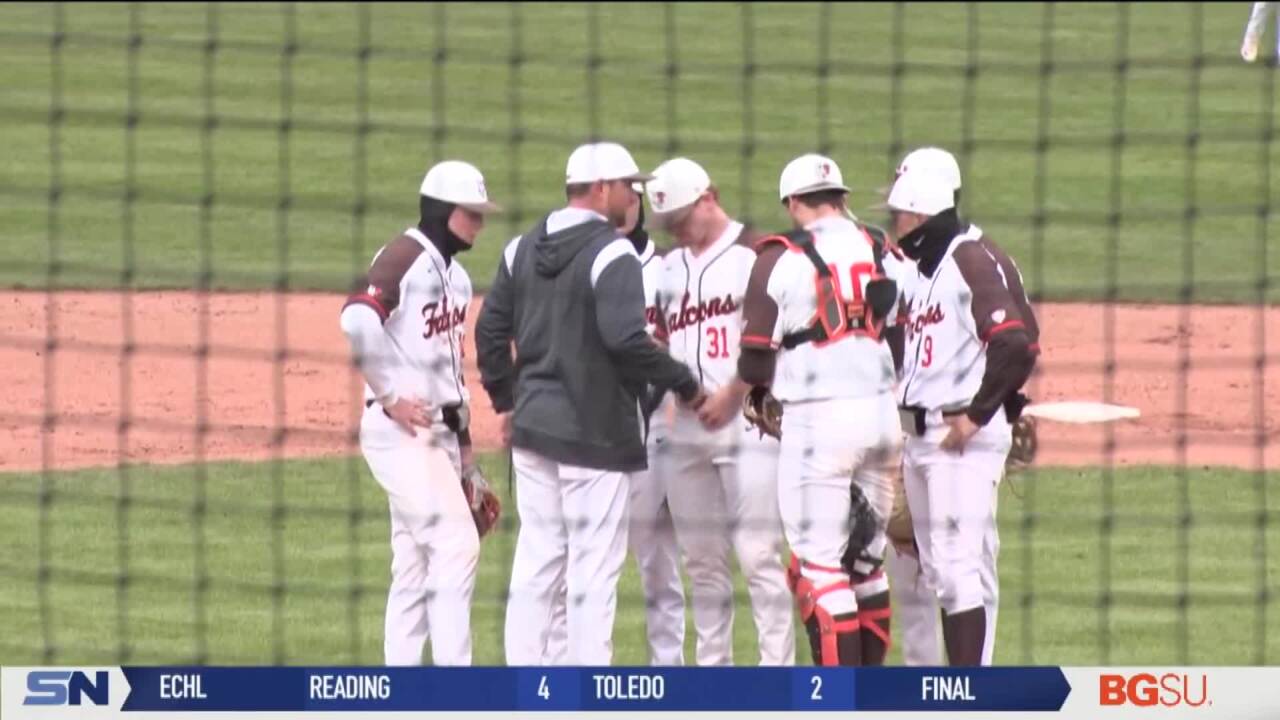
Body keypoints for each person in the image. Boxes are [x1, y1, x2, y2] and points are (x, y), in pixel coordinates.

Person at [475, 141, 705, 666]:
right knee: (592, 570)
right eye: (630, 186)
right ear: (602, 189)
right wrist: (684, 381)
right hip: (595, 436)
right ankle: (584, 693)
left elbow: (489, 330)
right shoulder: (614, 252)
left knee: (538, 560)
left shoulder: (520, 247)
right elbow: (626, 339)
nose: (635, 196)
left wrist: (507, 400)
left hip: (534, 433)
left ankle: (526, 685)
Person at [738, 153, 903, 666]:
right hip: (883, 419)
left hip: (821, 425)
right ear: (843, 198)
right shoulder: (881, 248)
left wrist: (760, 397)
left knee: (820, 573)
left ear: (792, 202)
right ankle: (869, 700)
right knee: (865, 565)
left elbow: (754, 352)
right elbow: (896, 332)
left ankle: (835, 704)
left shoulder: (777, 257)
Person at [339, 159, 503, 665]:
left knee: (413, 564)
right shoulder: (404, 256)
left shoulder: (456, 277)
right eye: (470, 213)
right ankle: (456, 689)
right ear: (441, 211)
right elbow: (357, 319)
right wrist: (389, 394)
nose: (479, 223)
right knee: (457, 546)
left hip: (438, 438)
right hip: (399, 435)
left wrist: (468, 455)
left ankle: (400, 688)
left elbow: (450, 378)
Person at [643, 157, 796, 666]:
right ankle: (715, 681)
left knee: (758, 556)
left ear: (708, 197)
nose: (679, 230)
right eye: (671, 224)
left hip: (749, 424)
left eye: (684, 217)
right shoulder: (666, 268)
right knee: (702, 563)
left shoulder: (758, 256)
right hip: (687, 431)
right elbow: (654, 343)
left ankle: (777, 677)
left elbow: (780, 342)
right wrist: (681, 392)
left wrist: (733, 392)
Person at [886, 166, 1039, 666]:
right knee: (951, 569)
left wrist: (981, 414)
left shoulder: (970, 259)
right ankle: (976, 681)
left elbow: (1017, 342)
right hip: (920, 439)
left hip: (960, 439)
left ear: (920, 215)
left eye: (902, 216)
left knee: (955, 574)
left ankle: (966, 693)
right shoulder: (921, 268)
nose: (896, 226)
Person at [541, 184, 688, 666]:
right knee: (577, 562)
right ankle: (566, 674)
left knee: (659, 566)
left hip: (659, 435)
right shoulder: (587, 261)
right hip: (599, 434)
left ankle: (668, 678)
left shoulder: (669, 268)